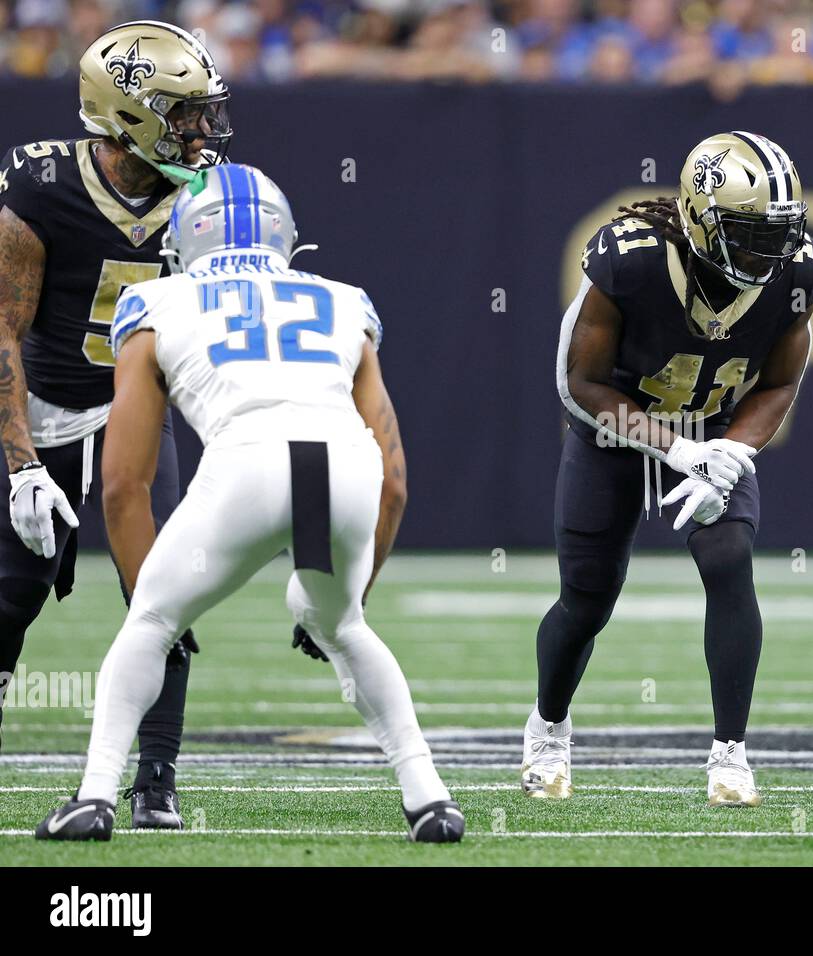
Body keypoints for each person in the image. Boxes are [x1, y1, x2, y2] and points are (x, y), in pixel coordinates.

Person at [36, 164, 463, 844]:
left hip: (248, 465)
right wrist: (347, 594)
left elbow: (123, 483)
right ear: (284, 235)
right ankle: (430, 798)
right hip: (343, 468)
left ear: (185, 239)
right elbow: (395, 479)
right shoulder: (344, 300)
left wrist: (155, 599)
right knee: (345, 627)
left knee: (147, 620)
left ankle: (94, 797)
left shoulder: (156, 302)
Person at [523, 131, 813, 807]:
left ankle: (731, 754)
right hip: (617, 424)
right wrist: (677, 450)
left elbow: (779, 383)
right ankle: (548, 729)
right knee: (588, 597)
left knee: (728, 559)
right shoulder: (630, 261)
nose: (770, 251)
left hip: (714, 423)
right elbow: (580, 384)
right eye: (750, 233)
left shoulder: (798, 272)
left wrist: (733, 451)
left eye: (778, 233)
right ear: (700, 218)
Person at [0, 20, 233, 829]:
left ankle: (156, 780)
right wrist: (22, 462)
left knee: (164, 591)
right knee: (11, 593)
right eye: (185, 113)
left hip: (141, 410)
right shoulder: (40, 184)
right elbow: (2, 329)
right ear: (129, 114)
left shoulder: (210, 194)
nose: (202, 130)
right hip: (46, 408)